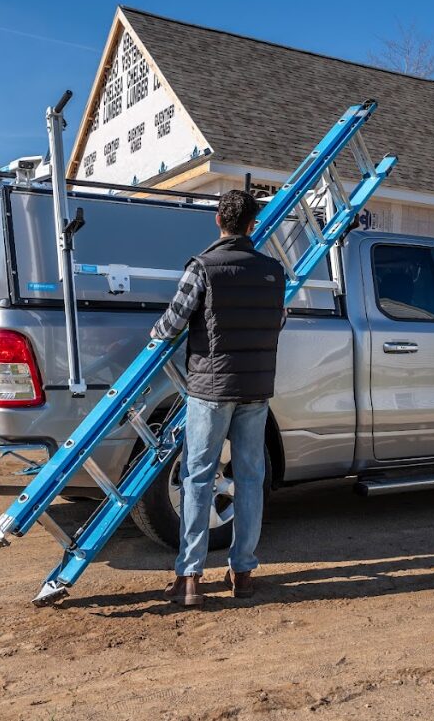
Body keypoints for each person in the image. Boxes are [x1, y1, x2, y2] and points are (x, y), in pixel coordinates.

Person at [150, 189, 286, 607]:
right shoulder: (273, 271)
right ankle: (242, 571)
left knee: (198, 478)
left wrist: (154, 336)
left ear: (217, 221)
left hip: (210, 391)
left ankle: (189, 577)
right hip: (256, 390)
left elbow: (173, 322)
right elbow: (277, 321)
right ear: (253, 224)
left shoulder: (203, 268)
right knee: (250, 478)